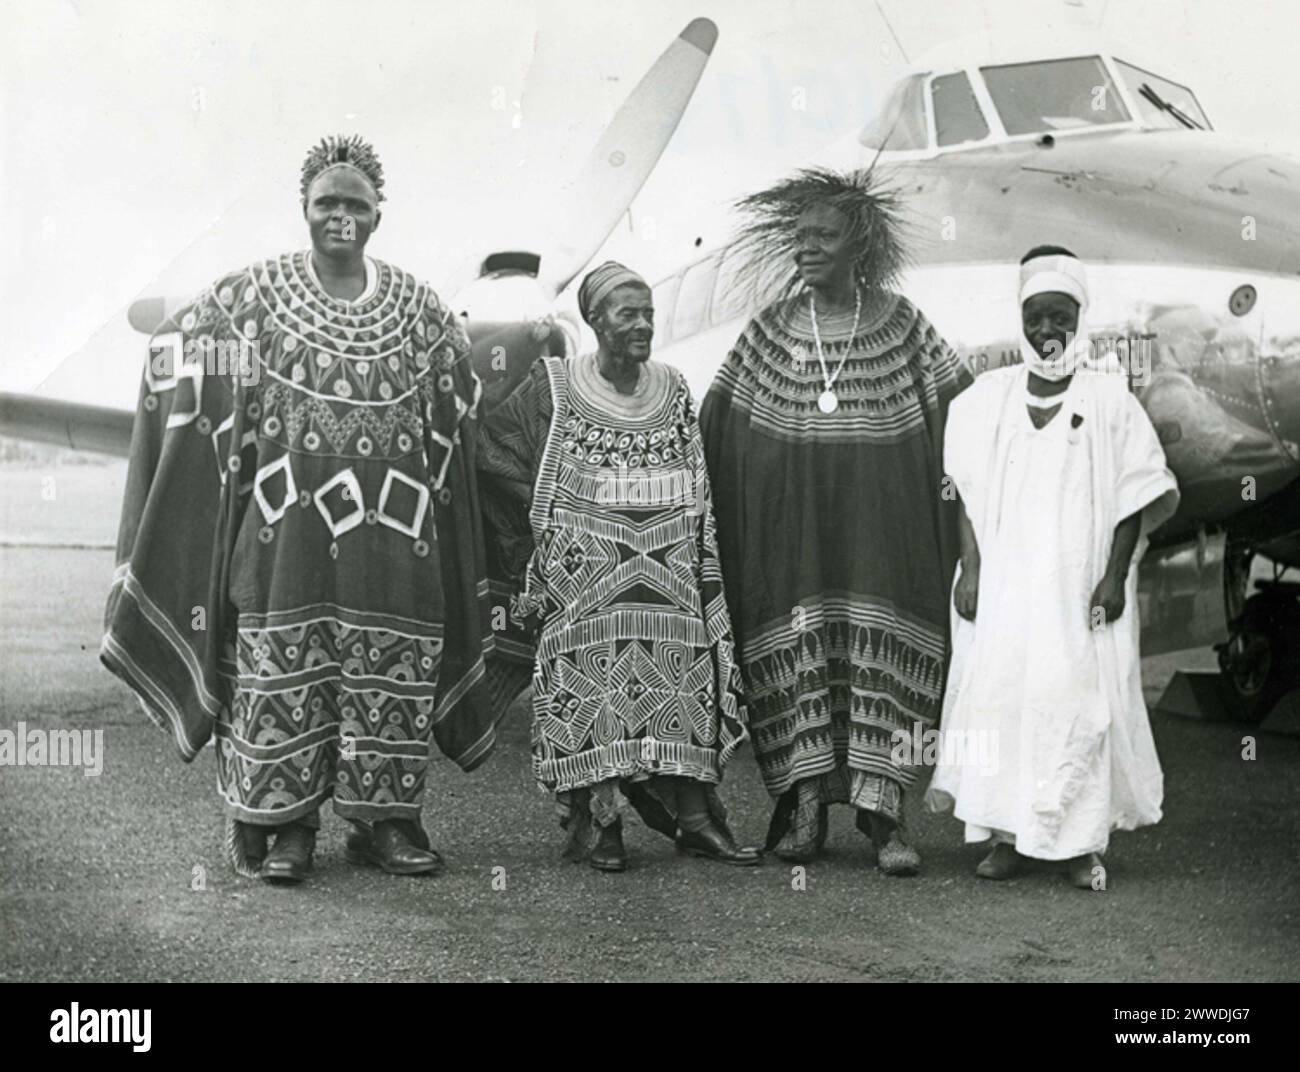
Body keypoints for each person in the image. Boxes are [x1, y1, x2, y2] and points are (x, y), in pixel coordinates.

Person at [102, 135, 501, 884]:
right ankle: (285, 825)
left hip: (396, 538)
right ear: (304, 211)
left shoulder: (422, 312)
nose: (342, 216)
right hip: (286, 534)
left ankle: (385, 822)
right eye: (328, 203)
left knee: (393, 670)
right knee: (278, 668)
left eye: (356, 203)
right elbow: (177, 354)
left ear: (379, 213)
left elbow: (459, 412)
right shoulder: (253, 299)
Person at [700, 168, 966, 875]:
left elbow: (966, 422)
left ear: (862, 244)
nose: (805, 246)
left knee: (889, 662)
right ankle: (805, 807)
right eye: (800, 234)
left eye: (823, 234)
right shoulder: (768, 333)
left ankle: (885, 817)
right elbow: (716, 432)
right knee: (800, 659)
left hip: (886, 544)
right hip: (794, 552)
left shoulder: (905, 327)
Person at [476, 261, 760, 871]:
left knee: (687, 672)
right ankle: (599, 821)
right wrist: (554, 519)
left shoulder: (673, 386)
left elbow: (696, 478)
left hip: (669, 565)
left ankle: (694, 817)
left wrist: (693, 552)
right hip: (587, 573)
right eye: (627, 314)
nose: (642, 325)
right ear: (595, 319)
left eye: (648, 314)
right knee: (591, 677)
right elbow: (495, 448)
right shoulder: (554, 384)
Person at [926, 246, 1179, 888]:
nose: (1047, 331)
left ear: (1080, 318)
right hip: (1007, 585)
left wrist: (1115, 575)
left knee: (1076, 701)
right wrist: (972, 569)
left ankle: (1076, 845)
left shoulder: (1109, 400)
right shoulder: (990, 399)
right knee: (1004, 697)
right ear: (1022, 320)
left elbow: (1135, 492)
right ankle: (1005, 837)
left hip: (1077, 587)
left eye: (1060, 317)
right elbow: (967, 493)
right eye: (1036, 317)